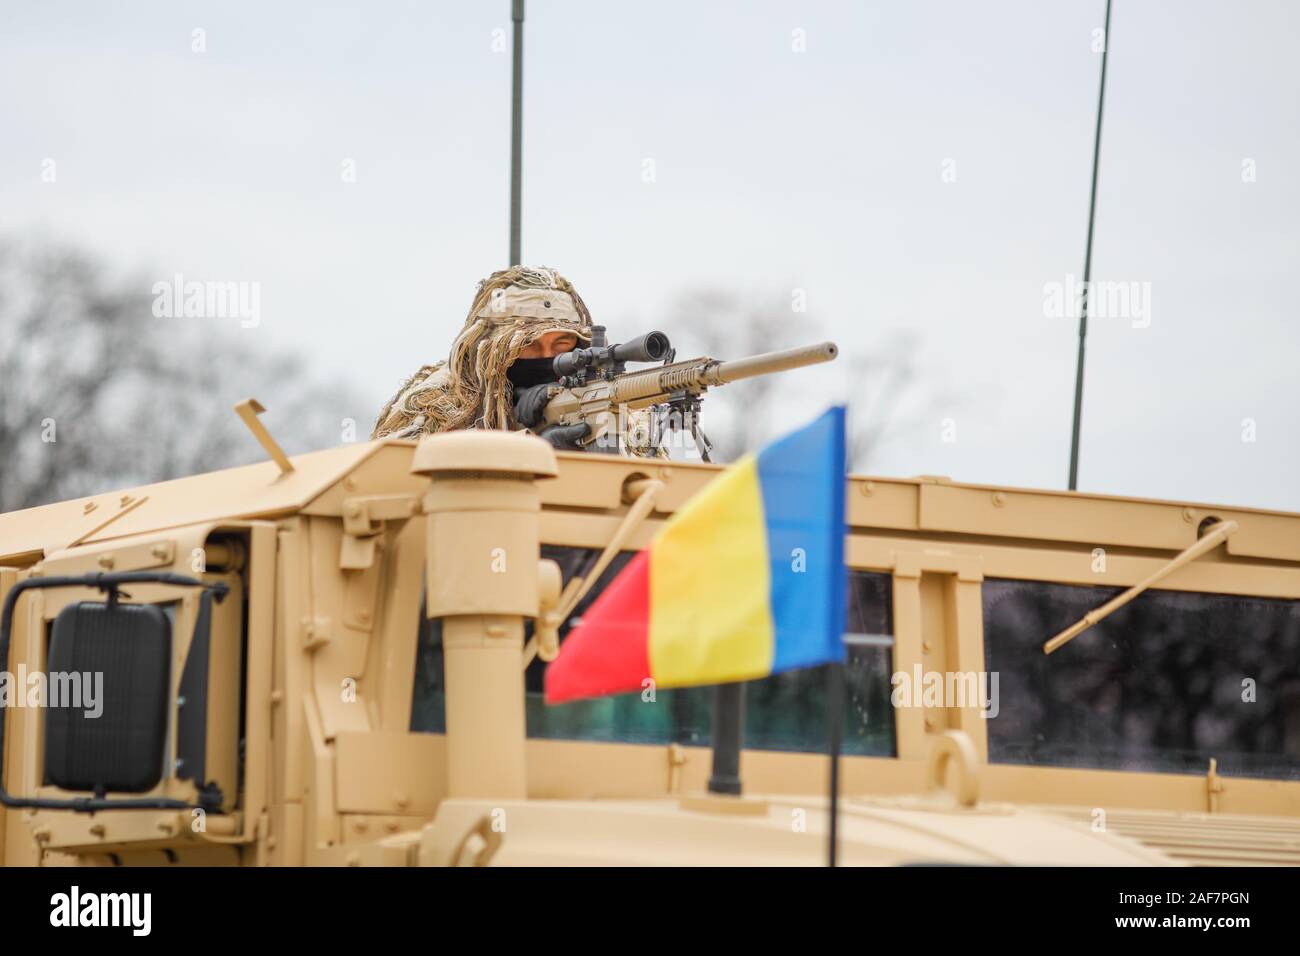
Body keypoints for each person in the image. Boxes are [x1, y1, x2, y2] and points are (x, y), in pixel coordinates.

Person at [372, 266, 644, 451]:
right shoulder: (435, 404)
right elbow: (401, 483)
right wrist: (531, 448)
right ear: (490, 351)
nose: (548, 358)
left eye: (562, 344)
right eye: (528, 346)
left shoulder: (606, 400)